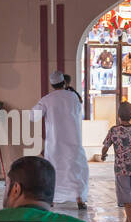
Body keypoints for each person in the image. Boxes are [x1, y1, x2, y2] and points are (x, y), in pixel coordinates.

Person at [32, 70, 89, 209]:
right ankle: (79, 198)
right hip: (73, 142)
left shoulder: (47, 100)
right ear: (64, 82)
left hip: (55, 144)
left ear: (52, 85)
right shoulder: (74, 97)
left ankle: (52, 199)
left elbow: (33, 116)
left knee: (54, 171)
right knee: (75, 170)